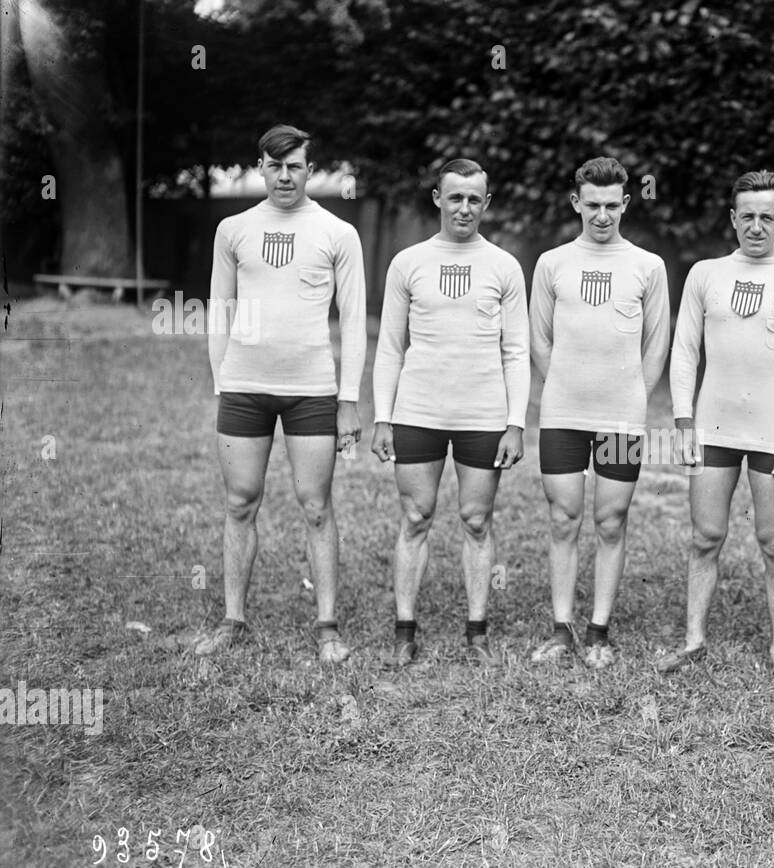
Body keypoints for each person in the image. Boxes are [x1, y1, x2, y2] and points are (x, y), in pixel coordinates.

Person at [198, 124, 365, 663]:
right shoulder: (233, 229)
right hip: (245, 387)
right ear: (261, 167)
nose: (285, 174)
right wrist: (223, 380)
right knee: (239, 501)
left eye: (295, 165)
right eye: (275, 165)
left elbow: (356, 323)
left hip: (311, 390)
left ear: (309, 170)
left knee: (316, 506)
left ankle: (328, 627)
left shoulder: (338, 233)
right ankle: (233, 619)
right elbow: (218, 308)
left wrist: (348, 399)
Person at [660, 170, 774, 684]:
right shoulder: (705, 274)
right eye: (747, 216)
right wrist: (684, 421)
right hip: (712, 429)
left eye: (767, 217)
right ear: (733, 219)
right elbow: (685, 351)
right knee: (705, 536)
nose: (756, 226)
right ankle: (693, 640)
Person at [371, 159, 528, 667]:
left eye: (474, 198)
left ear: (488, 202)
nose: (464, 207)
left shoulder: (504, 266)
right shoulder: (408, 262)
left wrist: (515, 423)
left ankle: (477, 632)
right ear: (438, 198)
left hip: (483, 414)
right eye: (455, 197)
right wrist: (383, 417)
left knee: (476, 519)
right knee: (416, 516)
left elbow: (516, 351)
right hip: (418, 410)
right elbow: (391, 347)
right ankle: (404, 630)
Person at [527, 157, 670, 669]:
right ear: (576, 203)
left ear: (626, 204)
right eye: (593, 206)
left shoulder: (648, 266)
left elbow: (657, 346)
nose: (603, 215)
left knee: (611, 520)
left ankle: (599, 632)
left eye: (612, 206)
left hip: (621, 419)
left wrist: (631, 395)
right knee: (564, 517)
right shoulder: (552, 263)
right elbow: (538, 338)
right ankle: (561, 629)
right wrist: (564, 384)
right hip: (563, 413)